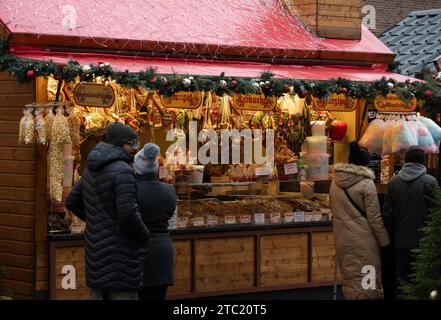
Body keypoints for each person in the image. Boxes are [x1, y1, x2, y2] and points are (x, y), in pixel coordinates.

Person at [65, 122, 151, 300]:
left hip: (95, 252)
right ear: (121, 144)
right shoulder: (123, 171)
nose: (135, 149)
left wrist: (97, 221)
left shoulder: (90, 168)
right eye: (132, 143)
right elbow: (128, 214)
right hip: (121, 256)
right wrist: (144, 235)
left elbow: (72, 201)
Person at [330, 141, 390, 299]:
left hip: (342, 240)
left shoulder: (334, 183)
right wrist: (385, 242)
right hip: (364, 242)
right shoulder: (366, 184)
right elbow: (375, 218)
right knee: (367, 283)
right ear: (365, 163)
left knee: (351, 280)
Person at [383, 146, 439, 297]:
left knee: (402, 282)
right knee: (421, 284)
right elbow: (436, 214)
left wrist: (393, 233)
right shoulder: (430, 182)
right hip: (424, 244)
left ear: (405, 161)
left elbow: (387, 213)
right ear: (422, 161)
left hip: (400, 241)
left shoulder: (394, 182)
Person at [134, 143, 177, 300]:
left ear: (137, 169)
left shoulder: (132, 191)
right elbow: (171, 214)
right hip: (163, 251)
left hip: (138, 252)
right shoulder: (170, 190)